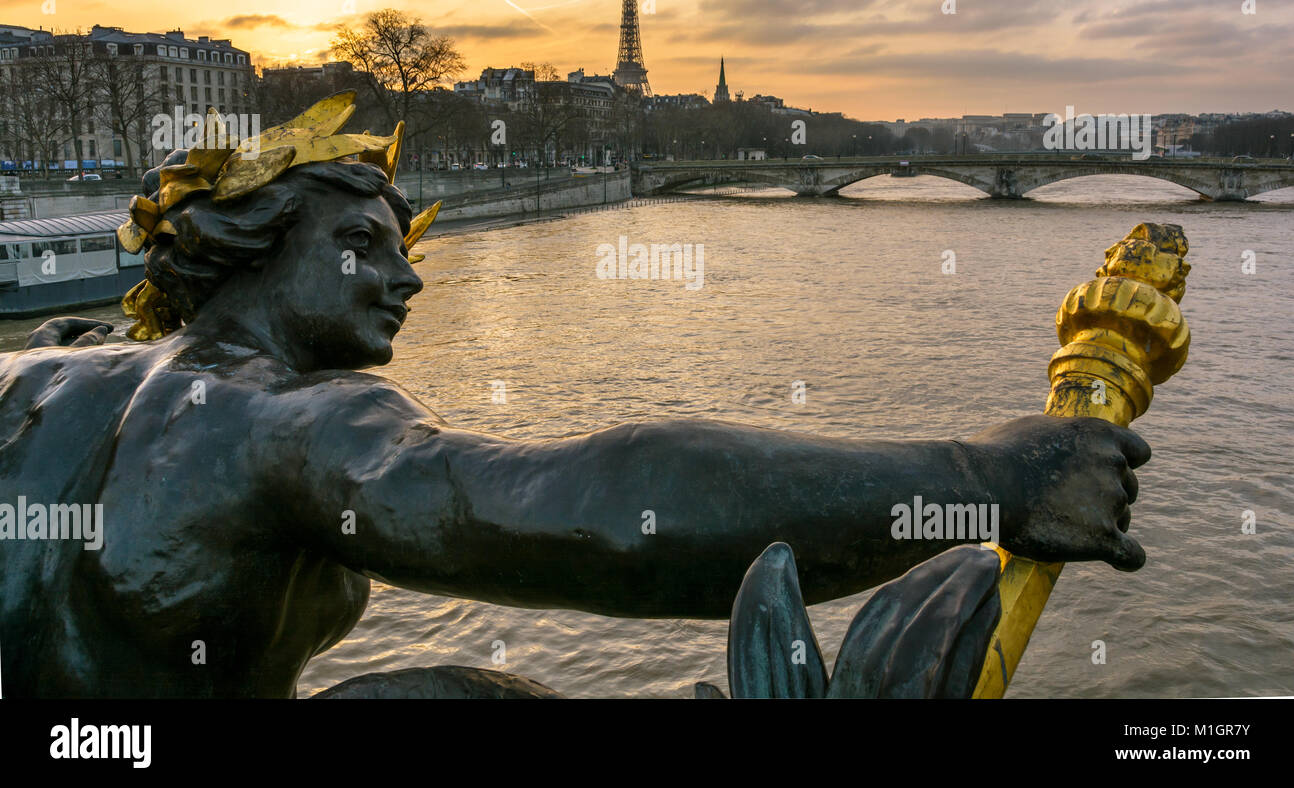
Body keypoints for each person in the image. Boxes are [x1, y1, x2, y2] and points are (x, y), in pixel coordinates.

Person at [0, 97, 1148, 698]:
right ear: (247, 244)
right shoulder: (284, 424)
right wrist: (979, 480)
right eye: (360, 241)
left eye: (408, 248)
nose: (404, 277)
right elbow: (599, 505)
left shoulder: (36, 379)